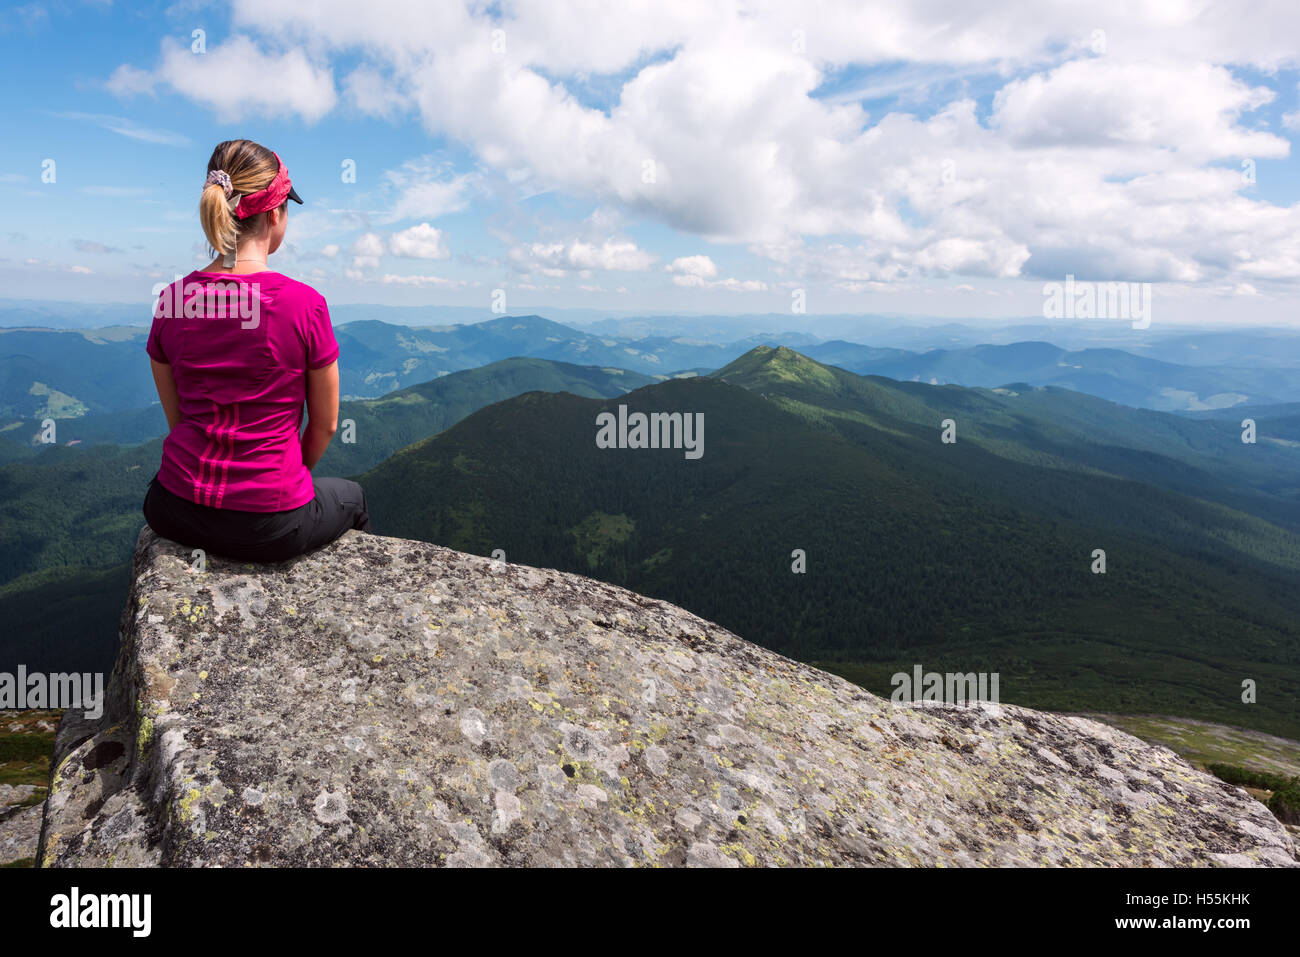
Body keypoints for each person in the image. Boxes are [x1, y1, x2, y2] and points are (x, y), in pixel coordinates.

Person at [141, 138, 371, 563]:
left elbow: (178, 421)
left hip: (171, 507)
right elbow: (325, 424)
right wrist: (285, 479)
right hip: (271, 524)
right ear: (275, 213)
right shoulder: (304, 305)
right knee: (352, 498)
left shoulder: (172, 300)